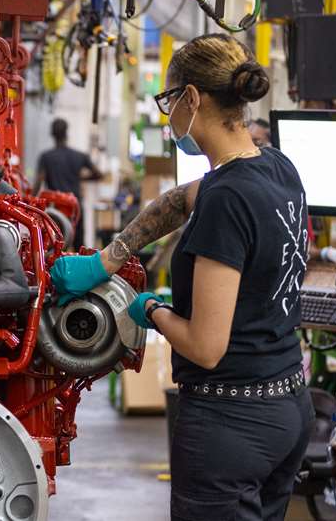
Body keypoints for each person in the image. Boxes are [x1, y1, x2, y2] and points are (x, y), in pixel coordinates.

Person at [51, 34, 311, 521]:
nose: (168, 115)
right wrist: (107, 260)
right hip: (287, 408)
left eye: (169, 101)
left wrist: (150, 309)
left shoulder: (226, 199)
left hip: (230, 423)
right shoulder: (275, 166)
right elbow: (175, 201)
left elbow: (205, 346)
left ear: (192, 99)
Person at [35, 118, 101, 248]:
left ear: (52, 134)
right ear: (67, 133)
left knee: (53, 245)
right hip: (75, 206)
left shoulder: (46, 157)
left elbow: (39, 182)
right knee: (79, 245)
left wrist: (30, 202)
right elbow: (98, 174)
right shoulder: (80, 156)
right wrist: (80, 178)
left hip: (55, 209)